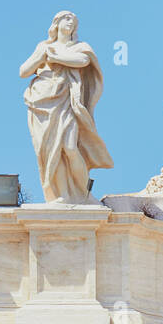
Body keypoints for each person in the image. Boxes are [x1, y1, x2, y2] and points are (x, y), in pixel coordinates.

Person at [20, 11, 113, 203]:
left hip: (66, 100)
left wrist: (55, 58)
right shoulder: (44, 46)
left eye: (74, 20)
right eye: (67, 18)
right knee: (52, 151)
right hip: (42, 100)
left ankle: (84, 195)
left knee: (70, 147)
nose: (71, 22)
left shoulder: (80, 47)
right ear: (57, 23)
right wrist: (41, 58)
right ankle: (61, 195)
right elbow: (23, 71)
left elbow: (83, 61)